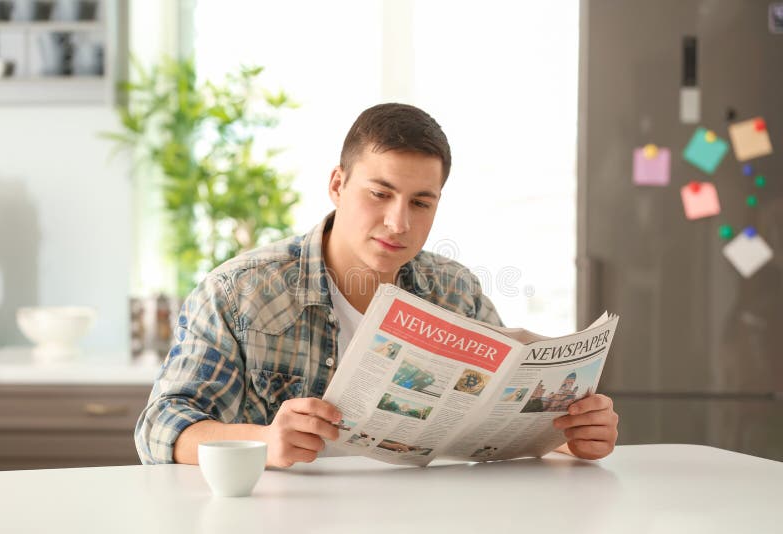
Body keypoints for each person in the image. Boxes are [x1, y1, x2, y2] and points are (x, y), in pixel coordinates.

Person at [134, 103, 619, 468]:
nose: (397, 222)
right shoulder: (238, 292)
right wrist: (262, 442)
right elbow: (159, 427)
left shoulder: (455, 290)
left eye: (421, 203)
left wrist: (569, 436)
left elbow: (496, 423)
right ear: (337, 185)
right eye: (379, 194)